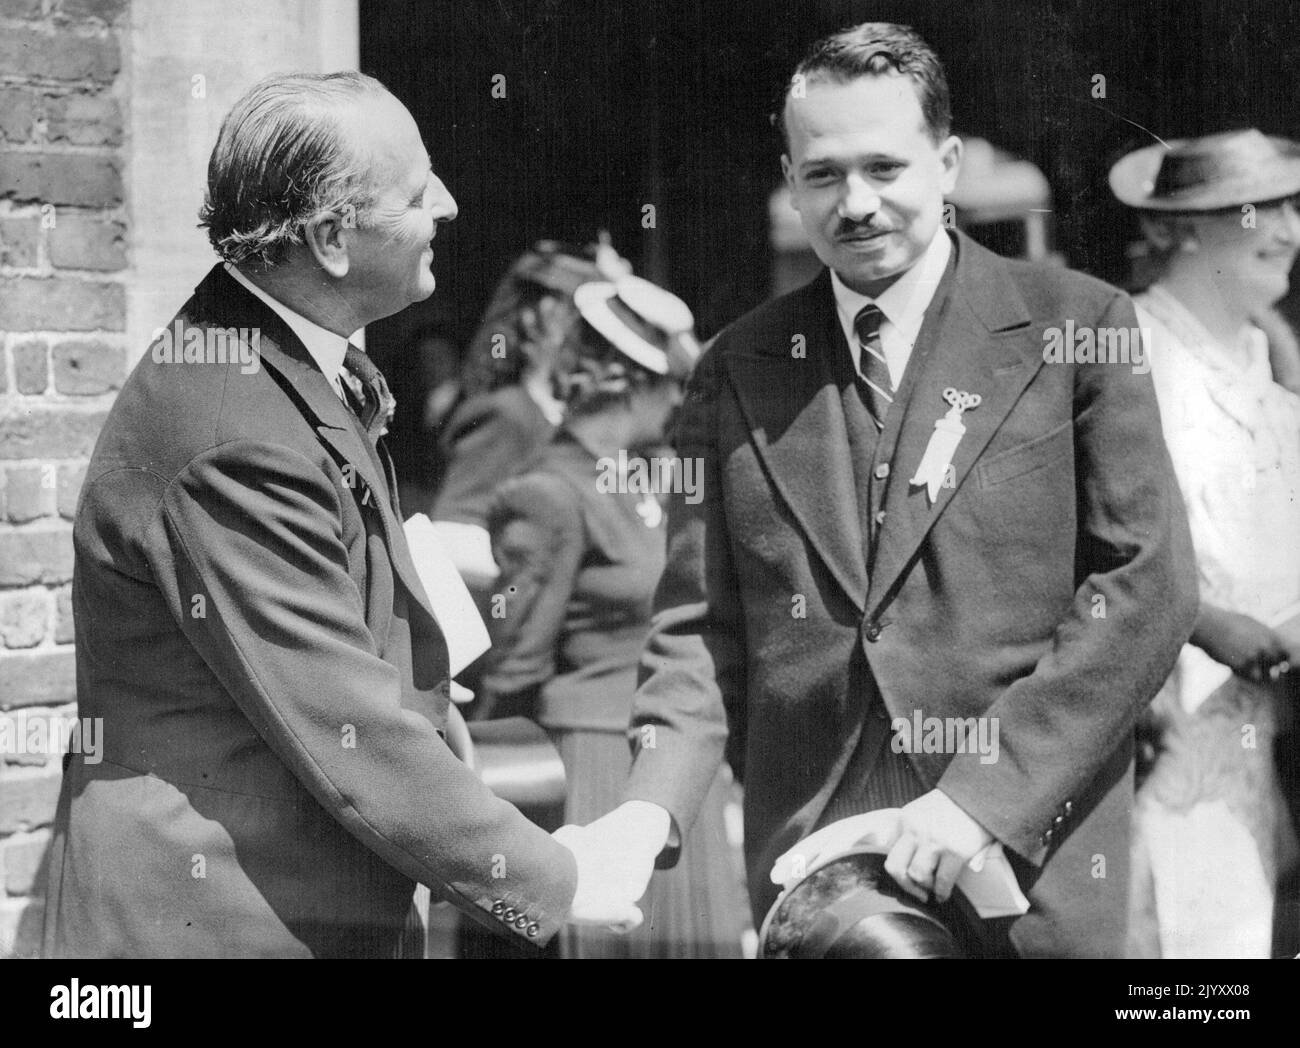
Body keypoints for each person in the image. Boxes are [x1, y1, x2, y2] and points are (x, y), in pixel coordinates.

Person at [566, 21, 1199, 958]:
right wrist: (645, 812)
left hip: (1028, 870)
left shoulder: (1078, 327)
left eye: (884, 168)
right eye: (822, 174)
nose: (855, 203)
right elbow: (699, 631)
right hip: (818, 891)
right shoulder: (736, 368)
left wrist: (976, 796)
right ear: (790, 179)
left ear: (945, 164)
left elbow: (1148, 586)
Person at [42, 71, 627, 958]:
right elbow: (338, 724)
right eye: (416, 192)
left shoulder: (280, 358)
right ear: (331, 240)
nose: (449, 204)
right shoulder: (234, 434)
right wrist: (553, 880)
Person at [481, 275, 746, 957]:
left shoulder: (649, 476)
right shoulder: (546, 491)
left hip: (678, 774)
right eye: (671, 388)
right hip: (595, 766)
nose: (677, 406)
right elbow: (518, 661)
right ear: (632, 383)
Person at [1109, 128, 1300, 957]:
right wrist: (1203, 621)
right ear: (1183, 228)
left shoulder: (1268, 358)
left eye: (1297, 206)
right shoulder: (1130, 351)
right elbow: (1090, 539)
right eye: (1265, 209)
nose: (1291, 229)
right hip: (1165, 734)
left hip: (1268, 733)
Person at [430, 240, 630, 592]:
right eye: (585, 329)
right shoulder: (509, 414)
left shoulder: (574, 419)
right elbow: (451, 540)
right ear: (539, 322)